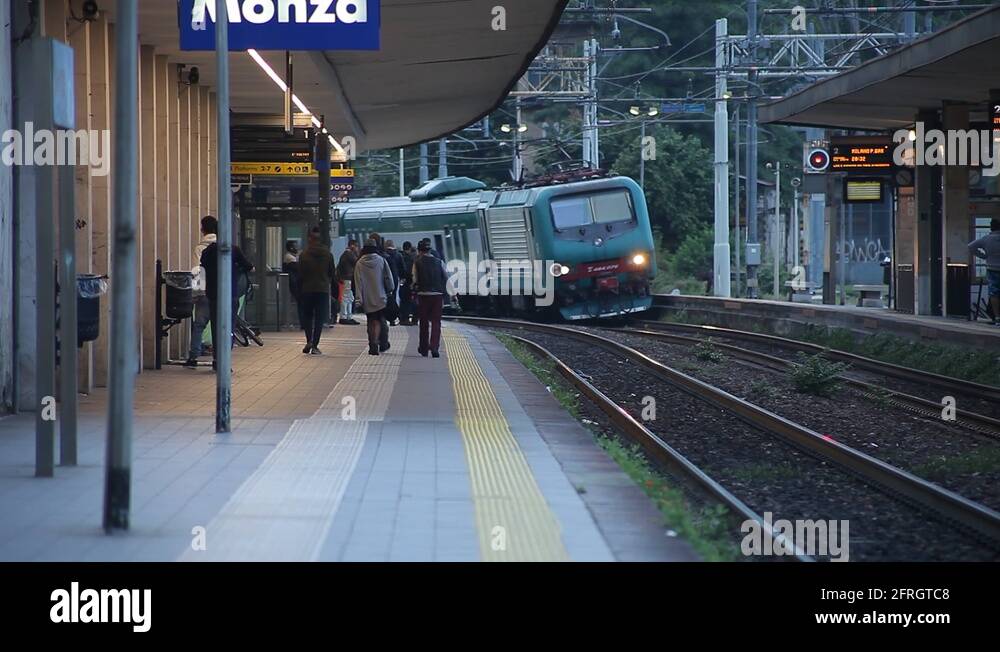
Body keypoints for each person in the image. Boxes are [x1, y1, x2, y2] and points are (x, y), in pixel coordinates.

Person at [200, 217, 254, 372]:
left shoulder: (207, 252)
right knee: (228, 327)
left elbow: (202, 269)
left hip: (213, 294)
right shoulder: (234, 250)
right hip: (230, 294)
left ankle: (217, 359)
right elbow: (249, 266)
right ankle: (225, 360)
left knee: (216, 326)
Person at [184, 216, 218, 368]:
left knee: (198, 325)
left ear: (203, 229)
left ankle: (193, 357)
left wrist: (196, 292)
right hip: (220, 291)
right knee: (220, 325)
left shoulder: (200, 248)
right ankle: (219, 359)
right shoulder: (224, 246)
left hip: (205, 291)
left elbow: (197, 270)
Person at [297, 227, 337, 354]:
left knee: (307, 316)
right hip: (322, 289)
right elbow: (332, 273)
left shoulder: (303, 255)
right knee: (319, 318)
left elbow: (300, 274)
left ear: (310, 239)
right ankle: (315, 345)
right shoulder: (328, 255)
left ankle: (309, 340)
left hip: (307, 289)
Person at [354, 238, 395, 355]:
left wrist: (359, 299)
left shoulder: (359, 263)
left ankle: (373, 343)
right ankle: (377, 343)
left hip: (367, 298)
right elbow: (388, 277)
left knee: (371, 320)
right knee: (379, 320)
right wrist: (390, 289)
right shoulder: (381, 260)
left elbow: (358, 282)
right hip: (381, 296)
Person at [412, 239, 448, 358]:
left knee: (424, 322)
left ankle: (423, 348)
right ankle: (434, 347)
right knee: (436, 322)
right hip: (437, 295)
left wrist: (413, 291)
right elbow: (446, 277)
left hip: (423, 295)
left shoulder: (417, 263)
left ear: (419, 251)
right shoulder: (439, 262)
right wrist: (451, 294)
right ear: (429, 250)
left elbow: (414, 280)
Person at [970, 217, 1000, 326]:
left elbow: (971, 246)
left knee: (994, 292)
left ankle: (997, 317)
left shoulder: (986, 239)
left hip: (992, 268)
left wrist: (983, 256)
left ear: (991, 227)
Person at [337, 239, 360, 325]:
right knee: (346, 297)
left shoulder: (346, 254)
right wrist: (357, 253)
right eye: (356, 246)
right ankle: (344, 316)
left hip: (347, 278)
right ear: (352, 246)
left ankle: (348, 316)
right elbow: (357, 262)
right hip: (347, 278)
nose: (357, 248)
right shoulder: (349, 254)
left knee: (349, 298)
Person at [384, 240, 405, 325]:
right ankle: (394, 317)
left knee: (385, 298)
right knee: (394, 297)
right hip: (395, 279)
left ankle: (387, 317)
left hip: (385, 279)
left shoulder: (384, 255)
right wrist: (402, 277)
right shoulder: (398, 255)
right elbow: (402, 268)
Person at [399, 241, 416, 326]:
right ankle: (406, 319)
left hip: (401, 282)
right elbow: (410, 271)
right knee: (408, 301)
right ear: (410, 248)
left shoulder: (400, 256)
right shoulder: (410, 258)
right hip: (409, 282)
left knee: (403, 301)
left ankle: (402, 318)